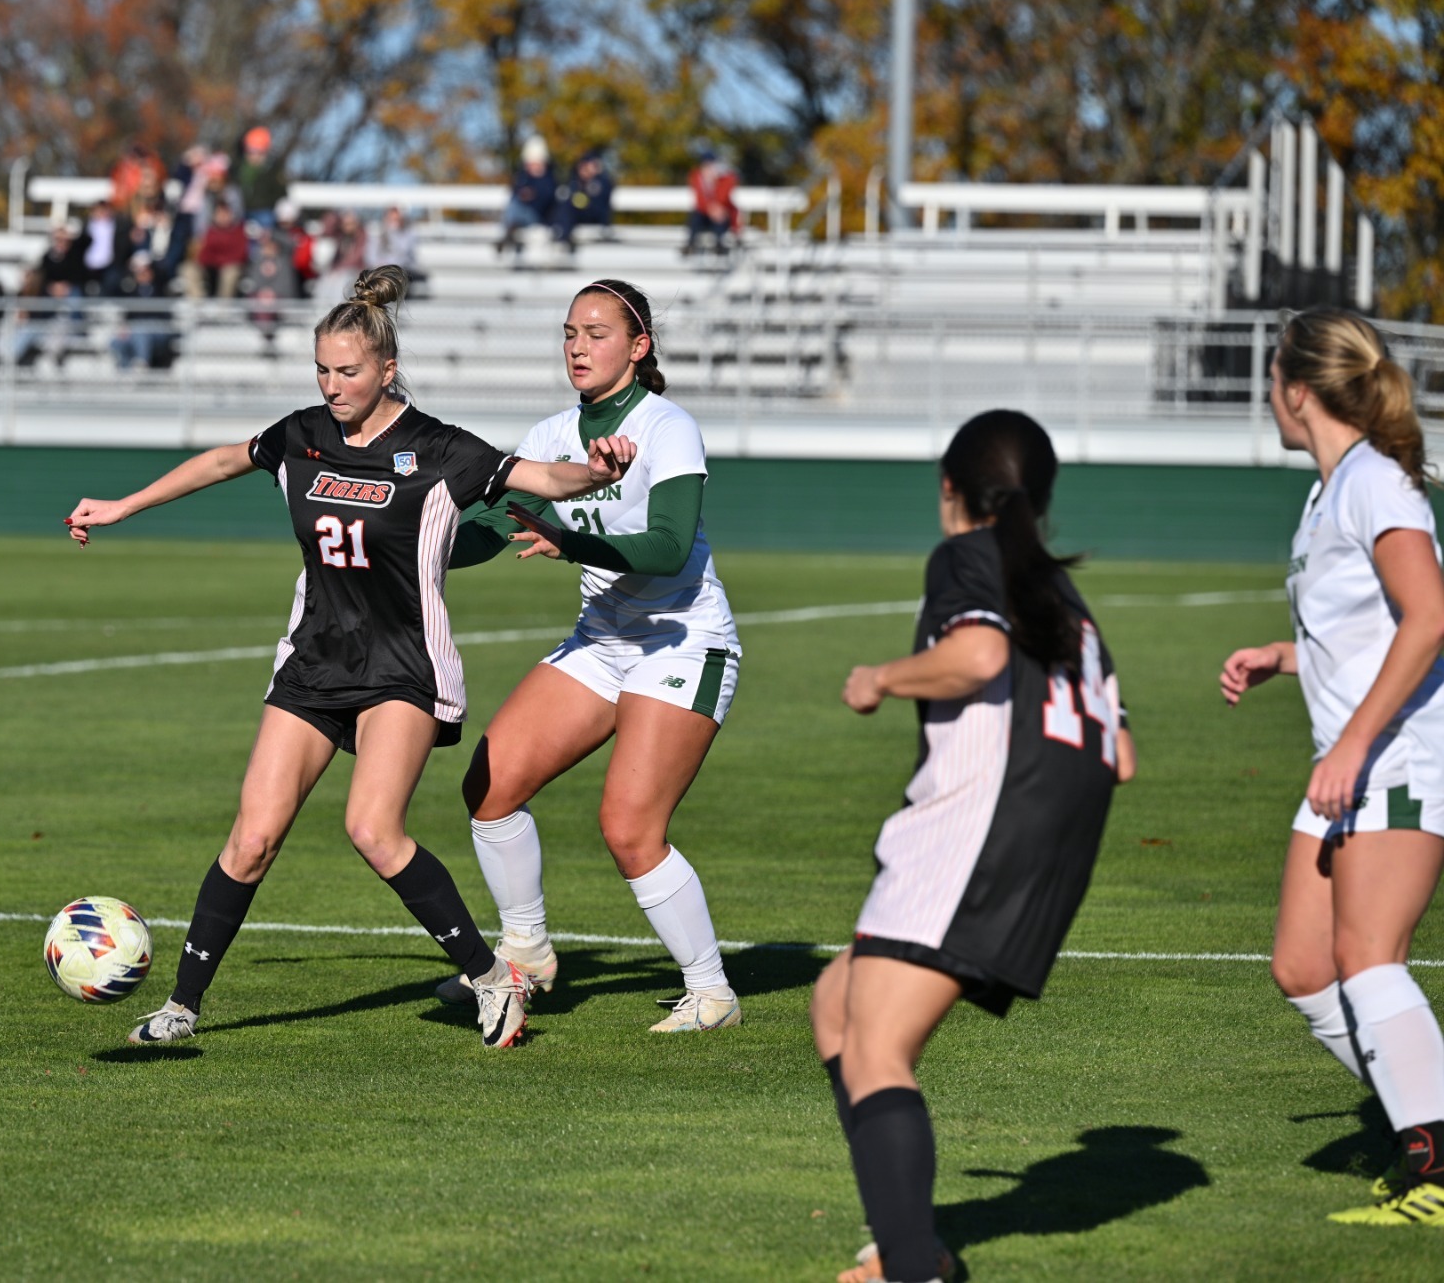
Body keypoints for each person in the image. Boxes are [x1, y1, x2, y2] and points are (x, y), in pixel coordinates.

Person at [63, 265, 639, 1050]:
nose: (334, 386)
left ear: (387, 370)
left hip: (404, 665)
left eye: (350, 372)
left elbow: (539, 477)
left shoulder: (440, 448)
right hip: (314, 661)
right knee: (251, 837)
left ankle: (490, 977)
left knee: (372, 827)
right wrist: (124, 505)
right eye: (323, 371)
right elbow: (226, 459)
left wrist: (596, 471)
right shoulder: (302, 434)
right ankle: (181, 1006)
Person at [810, 409, 1135, 1283]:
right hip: (1054, 835)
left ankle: (913, 1266)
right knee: (838, 999)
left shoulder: (968, 556)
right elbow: (1124, 751)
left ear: (951, 490)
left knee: (875, 1042)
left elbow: (980, 654)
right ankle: (901, 1242)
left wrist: (882, 677)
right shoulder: (1065, 596)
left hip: (981, 824)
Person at [439, 280, 745, 1031]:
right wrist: (418, 549)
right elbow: (495, 526)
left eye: (597, 332)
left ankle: (711, 992)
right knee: (490, 781)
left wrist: (571, 540)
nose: (577, 345)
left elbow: (670, 548)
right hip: (602, 642)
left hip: (683, 640)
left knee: (629, 826)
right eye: (570, 331)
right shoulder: (551, 436)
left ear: (638, 347)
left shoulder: (667, 424)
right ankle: (528, 952)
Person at [1218, 307, 1444, 1227]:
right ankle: (1421, 1110)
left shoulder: (1374, 485)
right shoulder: (1332, 491)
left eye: (1273, 378)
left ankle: (1435, 1164)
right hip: (1348, 760)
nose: (1269, 394)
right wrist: (1286, 653)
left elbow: (1429, 615)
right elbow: (1368, 628)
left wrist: (1354, 742)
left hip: (1393, 754)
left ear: (1297, 390)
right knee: (1305, 963)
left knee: (1363, 956)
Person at [497, 135, 557, 256]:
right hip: (523, 214)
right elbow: (515, 195)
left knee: (515, 208)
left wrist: (533, 195)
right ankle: (511, 231)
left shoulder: (548, 179)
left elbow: (548, 200)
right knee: (514, 206)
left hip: (538, 217)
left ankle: (510, 231)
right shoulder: (523, 177)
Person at [553, 149, 616, 249]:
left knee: (569, 207)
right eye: (583, 166)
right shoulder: (574, 181)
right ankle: (561, 236)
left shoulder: (602, 182)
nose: (585, 169)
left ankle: (562, 236)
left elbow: (598, 205)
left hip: (595, 218)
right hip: (578, 216)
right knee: (566, 208)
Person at [686, 147, 739, 255]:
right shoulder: (697, 177)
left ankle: (719, 246)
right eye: (705, 165)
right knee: (696, 217)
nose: (708, 168)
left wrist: (715, 181)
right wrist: (711, 208)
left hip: (721, 215)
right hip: (705, 214)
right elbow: (700, 199)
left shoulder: (725, 178)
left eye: (710, 164)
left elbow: (724, 198)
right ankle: (690, 245)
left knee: (720, 218)